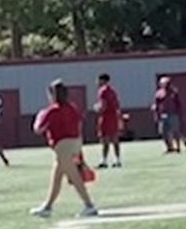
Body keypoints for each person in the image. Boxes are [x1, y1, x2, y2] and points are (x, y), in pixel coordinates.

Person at [30, 79, 99, 219]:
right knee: (56, 177)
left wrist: (39, 117)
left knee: (75, 177)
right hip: (75, 143)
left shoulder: (51, 111)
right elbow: (79, 125)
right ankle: (48, 206)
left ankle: (89, 205)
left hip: (62, 147)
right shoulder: (72, 108)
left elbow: (38, 129)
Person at [153, 75, 186, 153]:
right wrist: (156, 115)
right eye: (163, 83)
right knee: (163, 132)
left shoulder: (174, 92)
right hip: (163, 115)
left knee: (175, 131)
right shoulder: (159, 93)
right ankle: (169, 147)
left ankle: (178, 147)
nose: (166, 85)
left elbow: (178, 103)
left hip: (173, 114)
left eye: (167, 83)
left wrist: (180, 113)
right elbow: (156, 104)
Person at [95, 73, 124, 168]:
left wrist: (97, 109)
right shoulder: (112, 91)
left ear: (102, 80)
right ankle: (117, 160)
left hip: (106, 117)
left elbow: (103, 105)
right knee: (115, 139)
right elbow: (117, 105)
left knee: (105, 140)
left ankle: (104, 160)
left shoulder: (102, 91)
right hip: (113, 117)